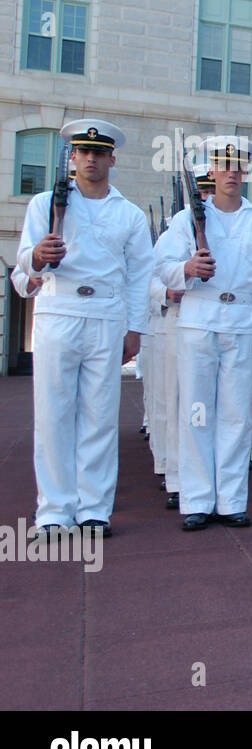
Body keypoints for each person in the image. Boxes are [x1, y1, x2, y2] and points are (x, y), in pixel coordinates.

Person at [17, 119, 152, 537]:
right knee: (54, 414)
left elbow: (139, 276)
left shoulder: (128, 213)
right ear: (72, 157)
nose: (91, 160)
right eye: (84, 152)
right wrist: (37, 256)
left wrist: (135, 329)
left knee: (99, 416)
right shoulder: (45, 204)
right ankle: (55, 509)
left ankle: (94, 507)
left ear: (112, 159)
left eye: (100, 153)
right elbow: (24, 261)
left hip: (107, 314)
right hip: (59, 308)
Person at [155, 136, 252, 530]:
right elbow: (160, 264)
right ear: (211, 170)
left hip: (240, 322)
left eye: (239, 165)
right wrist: (187, 269)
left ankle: (230, 500)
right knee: (196, 411)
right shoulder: (187, 218)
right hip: (199, 318)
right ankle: (196, 499)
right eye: (225, 165)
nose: (232, 172)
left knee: (235, 415)